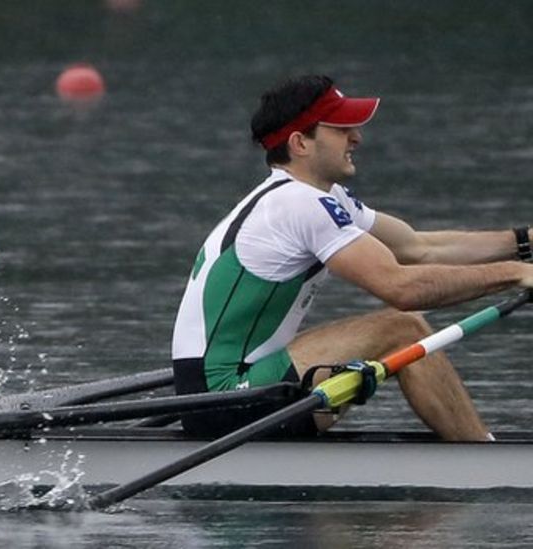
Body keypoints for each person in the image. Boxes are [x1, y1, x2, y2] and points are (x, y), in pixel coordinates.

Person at [171, 74, 533, 442]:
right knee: (402, 328)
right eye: (341, 128)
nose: (356, 137)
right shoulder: (296, 204)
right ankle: (480, 457)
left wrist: (524, 243)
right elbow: (401, 288)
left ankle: (475, 449)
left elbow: (418, 248)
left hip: (234, 386)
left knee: (402, 326)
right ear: (300, 143)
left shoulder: (320, 197)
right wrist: (515, 273)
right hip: (225, 397)